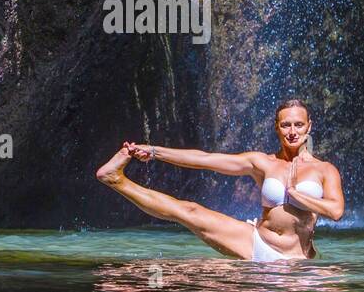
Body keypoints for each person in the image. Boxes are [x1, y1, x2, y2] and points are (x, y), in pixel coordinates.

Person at [94, 98, 344, 261]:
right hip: (255, 242)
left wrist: (299, 196)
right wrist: (155, 151)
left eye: (298, 125)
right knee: (189, 210)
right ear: (276, 128)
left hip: (296, 260)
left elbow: (336, 211)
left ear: (309, 126)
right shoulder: (262, 162)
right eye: (286, 125)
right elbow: (205, 159)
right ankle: (115, 179)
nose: (292, 132)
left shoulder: (324, 170)